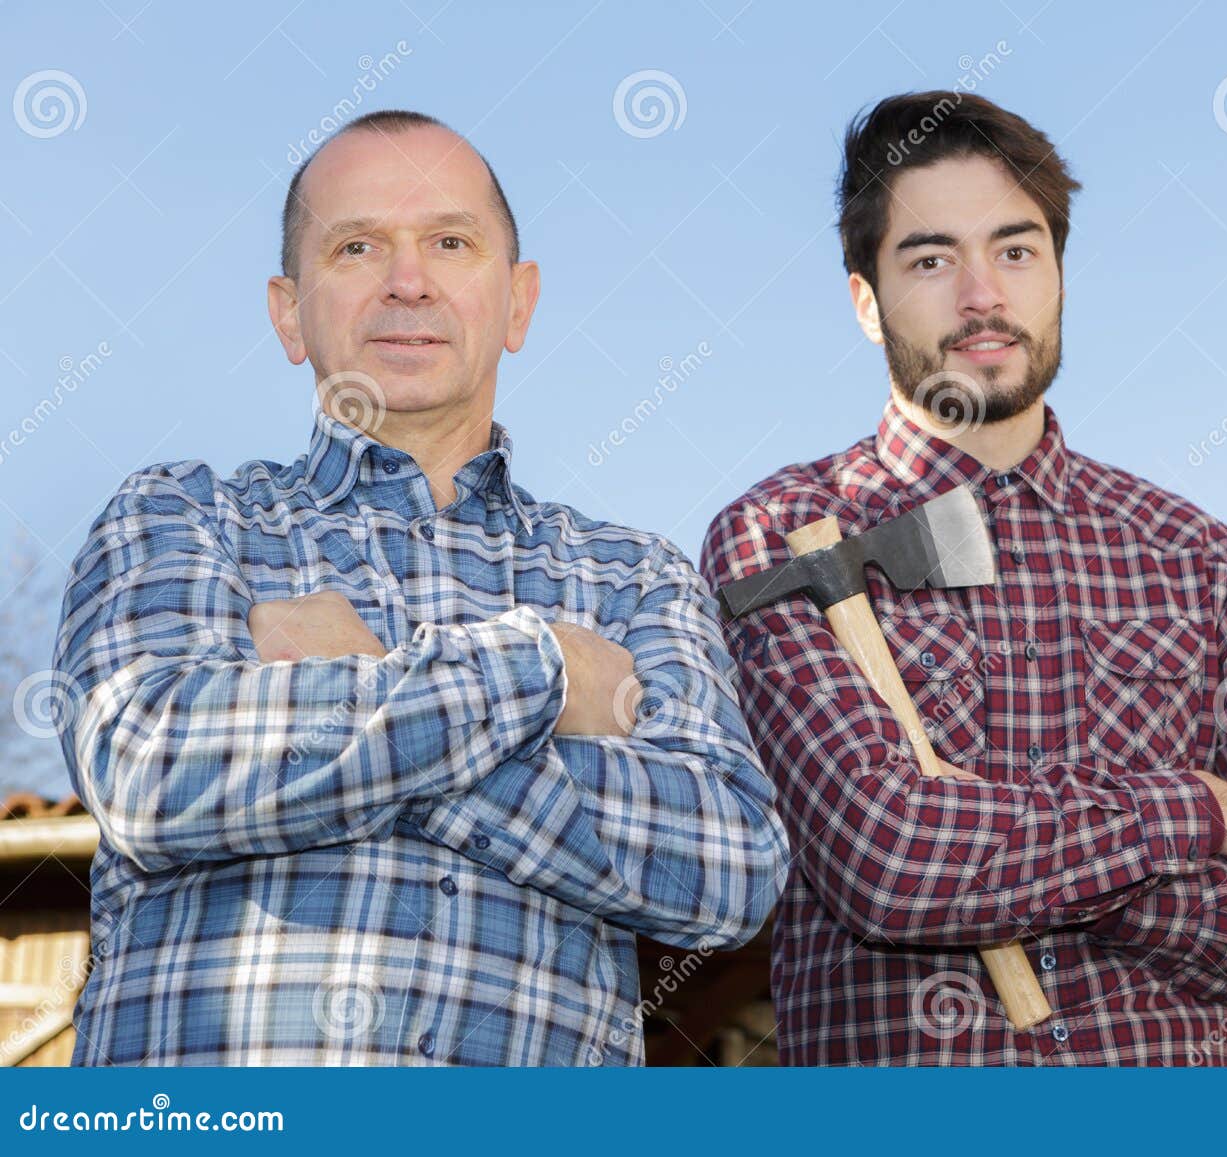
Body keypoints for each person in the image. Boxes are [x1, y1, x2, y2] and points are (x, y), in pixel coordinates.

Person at [54, 109, 788, 1067]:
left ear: (518, 302)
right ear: (288, 311)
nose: (409, 281)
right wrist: (539, 670)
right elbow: (152, 767)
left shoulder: (634, 577)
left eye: (451, 241)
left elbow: (728, 867)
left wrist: (347, 699)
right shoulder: (181, 519)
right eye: (358, 246)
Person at [700, 91, 1227, 1066]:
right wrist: (1195, 812)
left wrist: (1025, 872)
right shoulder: (779, 534)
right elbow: (890, 865)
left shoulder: (1201, 562)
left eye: (1015, 249)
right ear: (866, 300)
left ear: (1060, 275)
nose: (981, 294)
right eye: (929, 258)